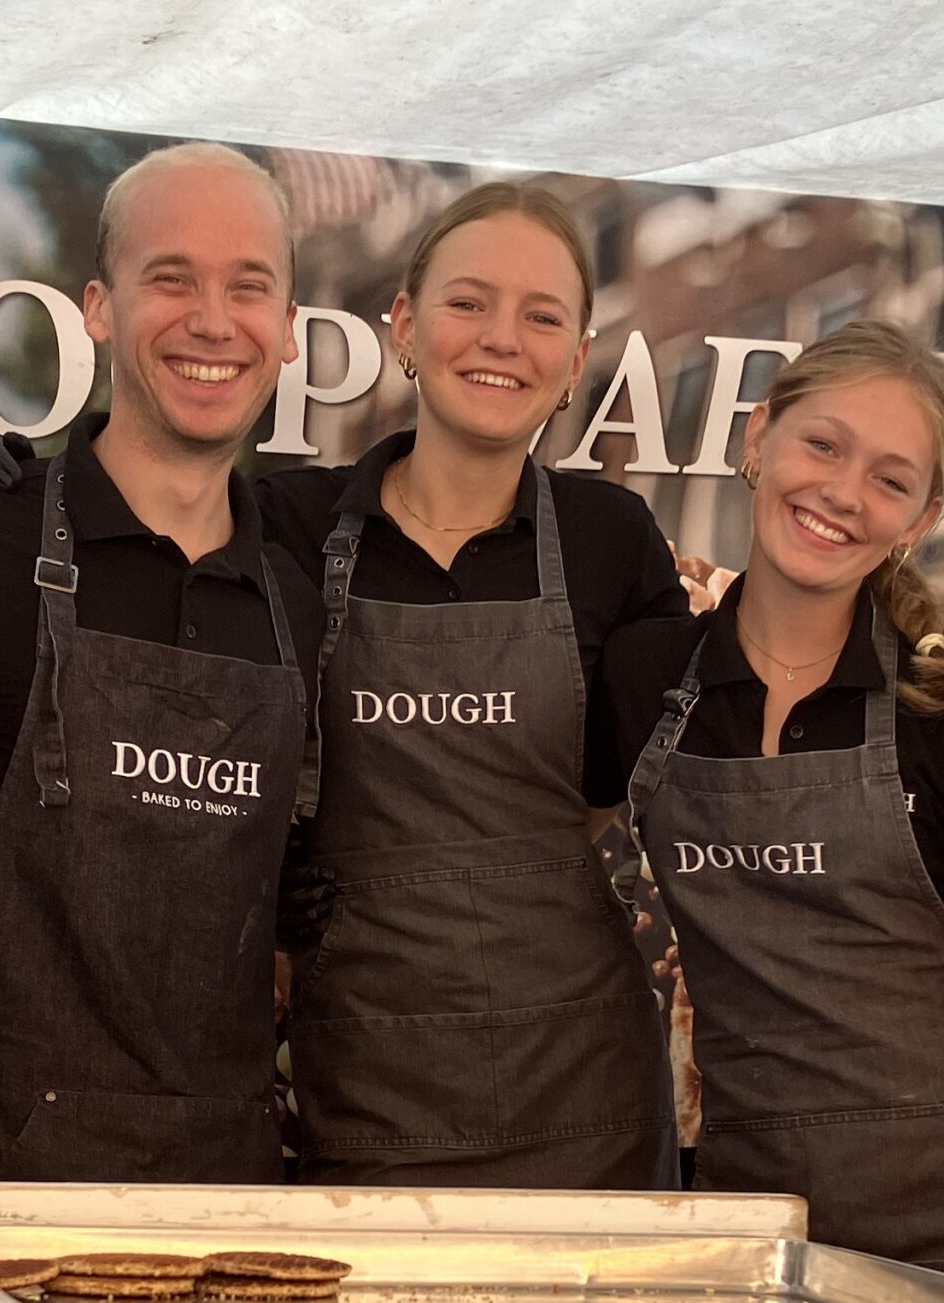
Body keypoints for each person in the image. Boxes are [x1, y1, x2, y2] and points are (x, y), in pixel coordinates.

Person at [0, 142, 325, 1183]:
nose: (211, 320)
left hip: (228, 1211)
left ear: (287, 331)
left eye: (248, 287)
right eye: (171, 279)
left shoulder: (308, 598)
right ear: (97, 307)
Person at [608, 319, 944, 1301]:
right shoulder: (646, 677)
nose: (839, 493)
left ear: (920, 517)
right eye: (821, 445)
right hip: (752, 1238)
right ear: (757, 440)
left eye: (888, 477)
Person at [253, 183, 685, 1186]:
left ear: (575, 361)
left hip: (585, 1097)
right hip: (364, 1080)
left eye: (541, 317)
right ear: (403, 326)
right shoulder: (285, 524)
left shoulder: (611, 541)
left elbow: (647, 779)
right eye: (466, 303)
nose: (501, 338)